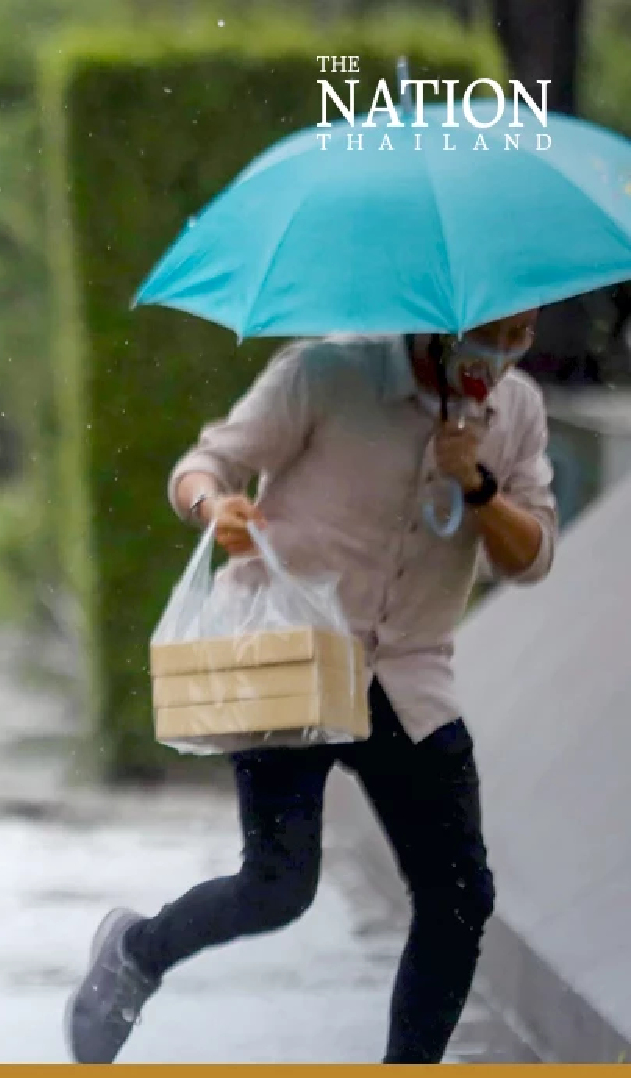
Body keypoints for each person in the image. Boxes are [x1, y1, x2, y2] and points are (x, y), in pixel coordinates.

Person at [65, 310, 557, 1065]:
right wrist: (214, 507)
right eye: (492, 332)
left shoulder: (516, 410)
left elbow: (533, 558)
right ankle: (139, 948)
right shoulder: (326, 376)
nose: (503, 353)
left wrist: (478, 485)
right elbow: (202, 466)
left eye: (521, 336)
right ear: (438, 325)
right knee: (278, 887)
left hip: (410, 674)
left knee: (461, 898)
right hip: (292, 658)